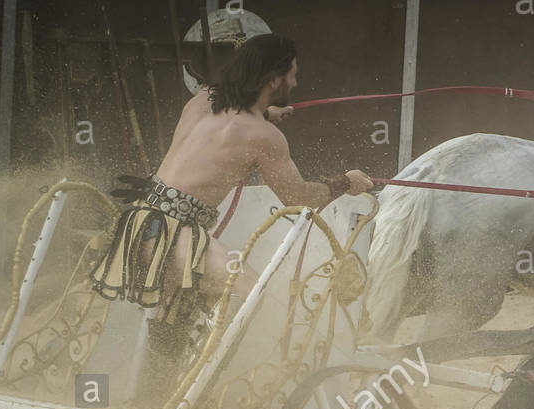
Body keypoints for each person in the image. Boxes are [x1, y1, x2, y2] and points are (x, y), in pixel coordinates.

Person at [89, 33, 373, 376]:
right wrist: (346, 182)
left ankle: (159, 392)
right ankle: (193, 400)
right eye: (292, 74)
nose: (295, 82)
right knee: (250, 296)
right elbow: (298, 198)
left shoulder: (200, 101)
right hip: (174, 237)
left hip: (138, 223)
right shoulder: (265, 138)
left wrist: (265, 113)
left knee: (177, 309)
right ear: (272, 79)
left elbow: (230, 122)